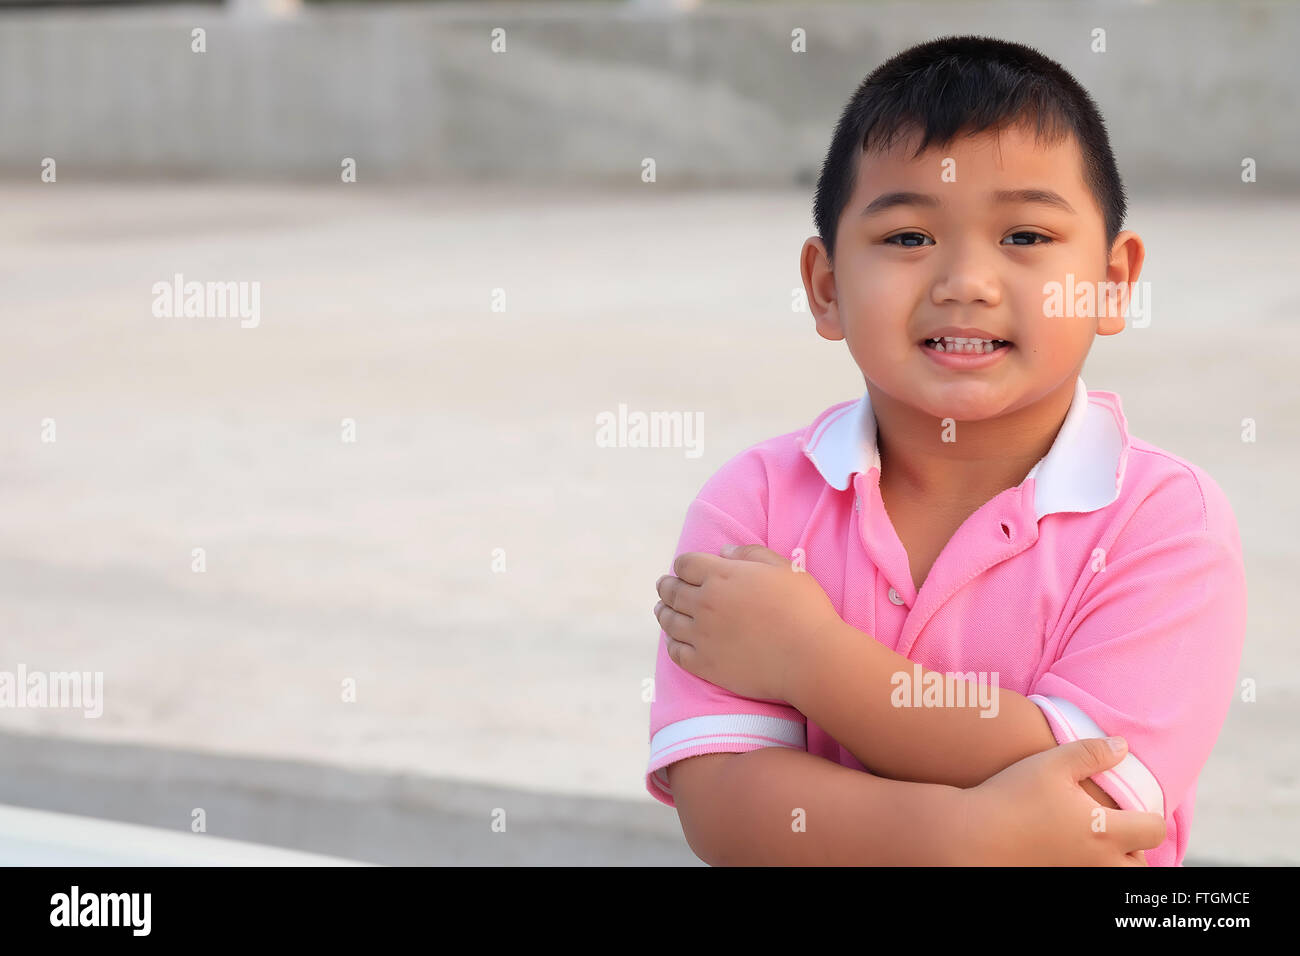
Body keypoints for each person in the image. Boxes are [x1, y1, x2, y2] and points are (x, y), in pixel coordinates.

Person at [645, 35, 1247, 865]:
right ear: (826, 287)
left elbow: (1099, 800)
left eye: (1027, 238)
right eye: (907, 239)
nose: (966, 280)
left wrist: (809, 660)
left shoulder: (1164, 522)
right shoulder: (755, 504)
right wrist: (971, 835)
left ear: (1112, 283)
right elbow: (725, 806)